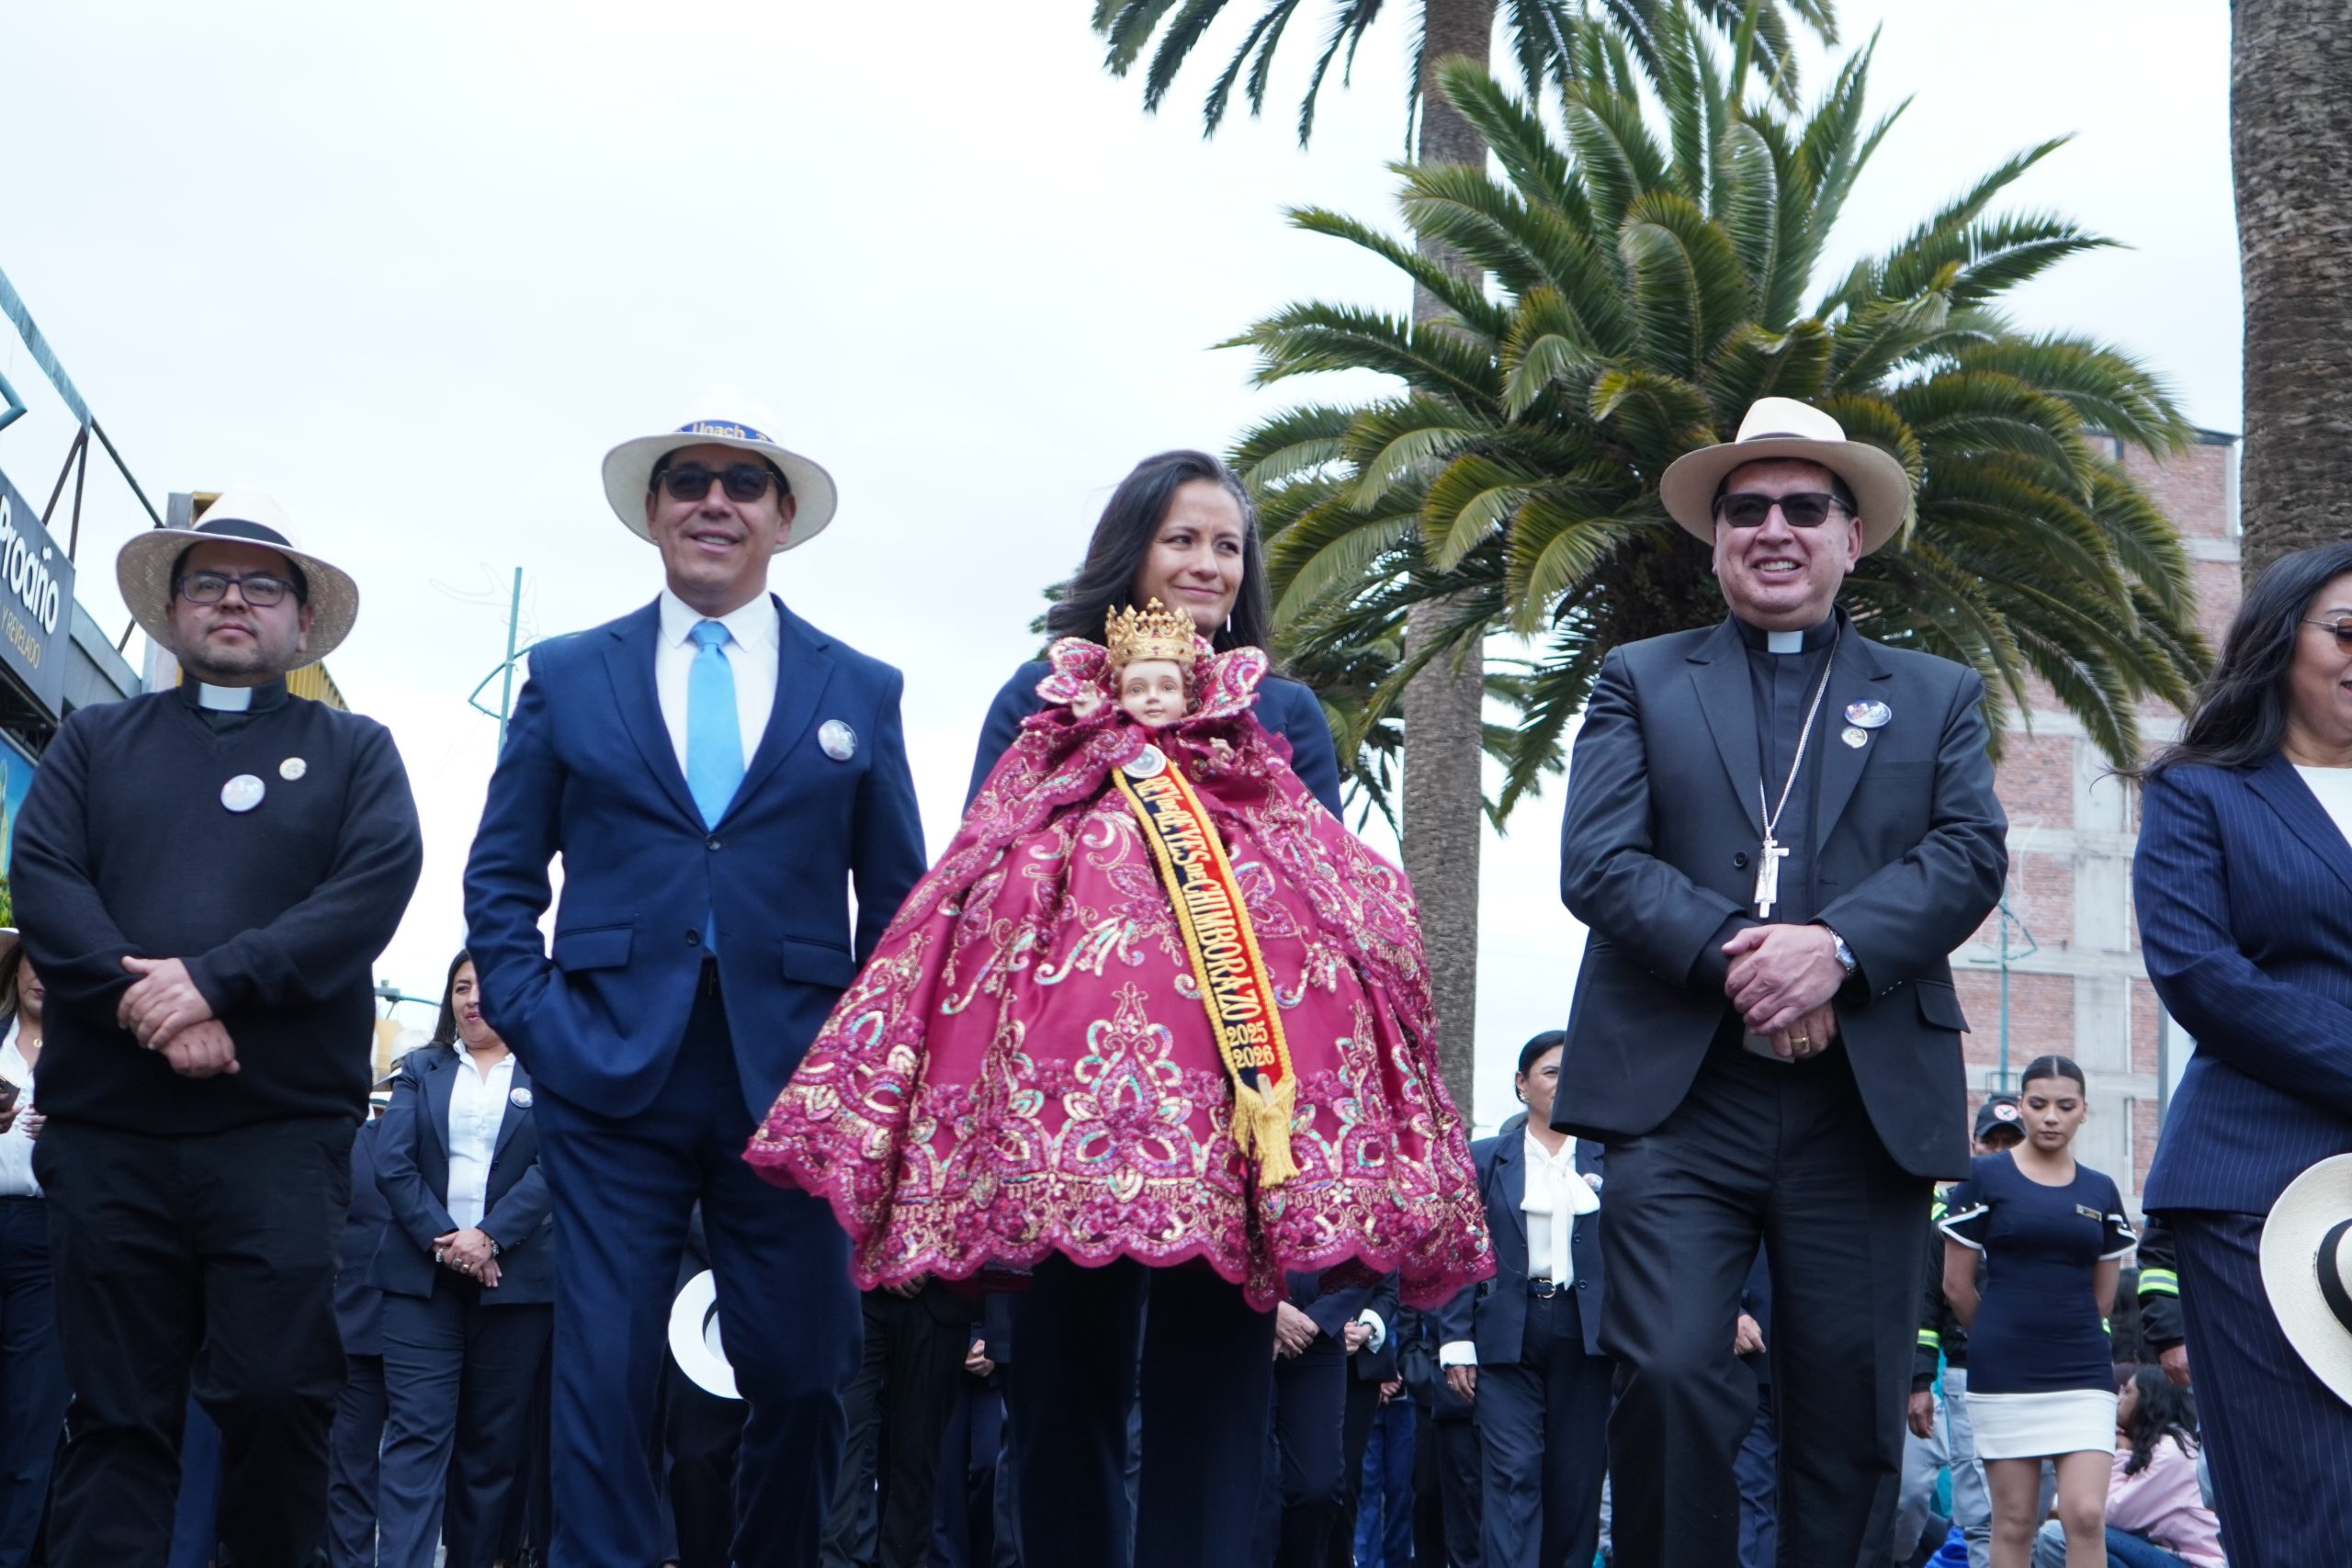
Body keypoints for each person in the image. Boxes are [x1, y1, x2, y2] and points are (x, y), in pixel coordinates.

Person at [752, 583, 1489, 1568]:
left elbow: (1333, 902)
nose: (1204, 568)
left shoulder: (1273, 726)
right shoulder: (1041, 723)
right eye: (1180, 541)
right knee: (1060, 1414)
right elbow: (969, 892)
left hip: (1228, 1144)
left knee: (1214, 1425)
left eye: (1226, 546)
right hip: (1057, 1136)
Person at [464, 394, 928, 1568]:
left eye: (741, 484)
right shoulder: (569, 674)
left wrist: (864, 1072)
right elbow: (502, 876)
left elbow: (901, 907)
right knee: (604, 1373)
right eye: (688, 481)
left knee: (807, 1372)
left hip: (796, 1085)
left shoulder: (858, 689)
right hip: (606, 1066)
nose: (712, 501)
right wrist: (535, 1015)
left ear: (780, 519)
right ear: (654, 513)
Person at [1555, 397, 2007, 1566]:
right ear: (1713, 541)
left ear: (1851, 538)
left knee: (1851, 1415)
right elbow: (1599, 862)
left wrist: (1836, 952)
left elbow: (1966, 855)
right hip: (1680, 1092)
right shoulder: (1637, 680)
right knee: (1664, 1375)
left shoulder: (1935, 693)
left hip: (1859, 1103)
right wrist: (1751, 965)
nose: (1773, 528)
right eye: (1744, 508)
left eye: (1805, 507)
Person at [13, 493, 423, 1565]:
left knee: (281, 1395)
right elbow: (47, 883)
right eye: (207, 583)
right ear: (172, 611)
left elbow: (369, 892)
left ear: (299, 621)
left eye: (260, 587)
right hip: (111, 1136)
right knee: (114, 1412)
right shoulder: (96, 740)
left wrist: (216, 983)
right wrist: (154, 1011)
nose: (232, 602)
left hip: (278, 1137)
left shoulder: (355, 752)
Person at [2131, 538, 2352, 1564]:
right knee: (2305, 1501)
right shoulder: (2201, 792)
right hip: (2256, 1191)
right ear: (2280, 641)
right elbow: (2199, 976)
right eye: (2346, 632)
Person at [369, 952, 554, 1568]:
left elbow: (555, 1164)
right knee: (416, 1437)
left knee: (492, 1446)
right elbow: (392, 1162)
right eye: (462, 987)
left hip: (517, 1282)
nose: (472, 999)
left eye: (487, 987)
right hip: (423, 1280)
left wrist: (492, 1236)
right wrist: (449, 1239)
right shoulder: (420, 1067)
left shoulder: (551, 1072)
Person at [1938, 1055, 2136, 1568]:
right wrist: (2001, 1337)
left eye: (2065, 1106)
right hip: (2003, 1369)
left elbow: (2103, 1298)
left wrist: (2062, 1332)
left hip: (2083, 1369)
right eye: (2039, 1104)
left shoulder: (2101, 1190)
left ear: (2084, 1112)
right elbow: (1955, 1286)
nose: (2051, 1116)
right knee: (2014, 1522)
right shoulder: (1982, 1176)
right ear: (2022, 1107)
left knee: (2086, 1513)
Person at [1437, 1030, 1611, 1568]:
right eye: (1551, 1072)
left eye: (1573, 1071)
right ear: (1522, 1084)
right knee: (1512, 1473)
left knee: (1576, 1481)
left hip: (1589, 1337)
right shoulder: (1485, 1159)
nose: (1563, 1083)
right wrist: (1455, 1340)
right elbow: (1454, 1249)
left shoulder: (1616, 1158)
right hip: (1506, 1331)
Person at [1908, 1094, 2029, 1568]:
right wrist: (1919, 1379)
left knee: (2030, 1515)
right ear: (1974, 1146)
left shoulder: (2052, 1201)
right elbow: (1927, 1300)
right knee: (1971, 1514)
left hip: (2039, 1380)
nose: (2000, 1151)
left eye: (2009, 1141)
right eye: (1990, 1141)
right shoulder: (1945, 1209)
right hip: (1958, 1374)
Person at [819, 1274, 978, 1568]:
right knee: (838, 1447)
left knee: (916, 1465)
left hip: (940, 1295)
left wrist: (922, 1261)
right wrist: (884, 1255)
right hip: (854, 1285)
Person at [0, 938, 64, 1568]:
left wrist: (74, 1124)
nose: (42, 974)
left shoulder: (91, 1057)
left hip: (52, 1237)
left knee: (34, 1413)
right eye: (32, 958)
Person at [2029, 1366, 2223, 1568]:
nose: (2118, 1399)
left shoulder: (2171, 1451)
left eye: (2127, 1391)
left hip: (2195, 1563)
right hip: (2168, 1554)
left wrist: (2120, 1451)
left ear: (2149, 1400)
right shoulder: (2158, 1446)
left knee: (2056, 1536)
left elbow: (2108, 1513)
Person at [324, 1075, 395, 1568]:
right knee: (349, 1468)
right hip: (354, 1329)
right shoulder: (348, 1143)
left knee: (417, 1471)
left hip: (438, 1332)